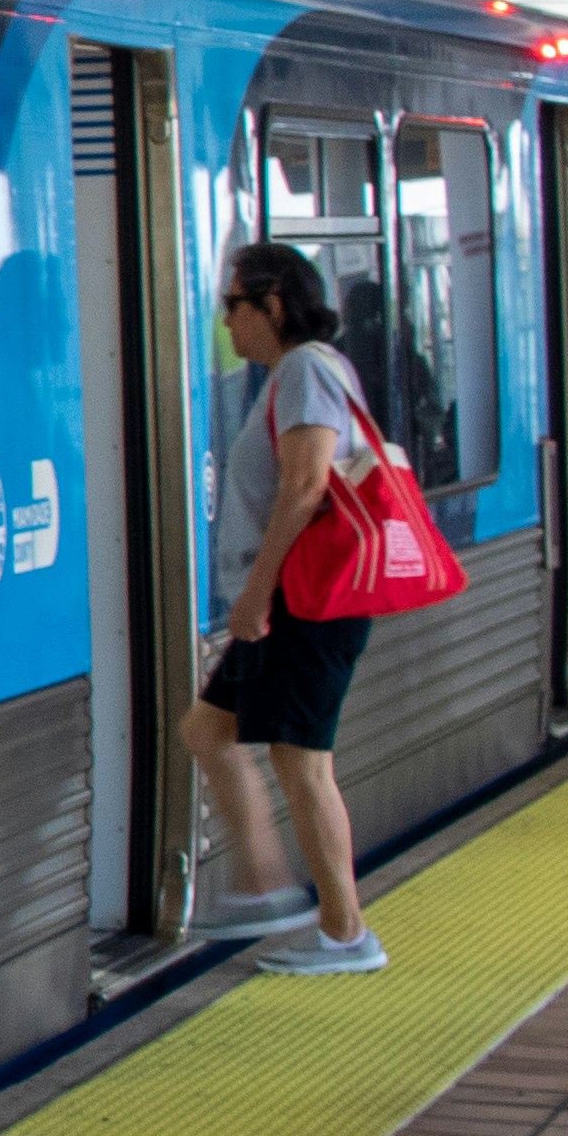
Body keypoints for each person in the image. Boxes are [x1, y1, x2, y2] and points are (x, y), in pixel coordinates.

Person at [184, 240, 388, 973]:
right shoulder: (290, 377)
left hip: (303, 600)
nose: (227, 323)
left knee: (302, 761)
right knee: (208, 730)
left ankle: (345, 932)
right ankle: (267, 885)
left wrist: (256, 595)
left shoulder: (304, 371)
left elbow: (304, 487)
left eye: (234, 306)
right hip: (286, 599)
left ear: (274, 304)